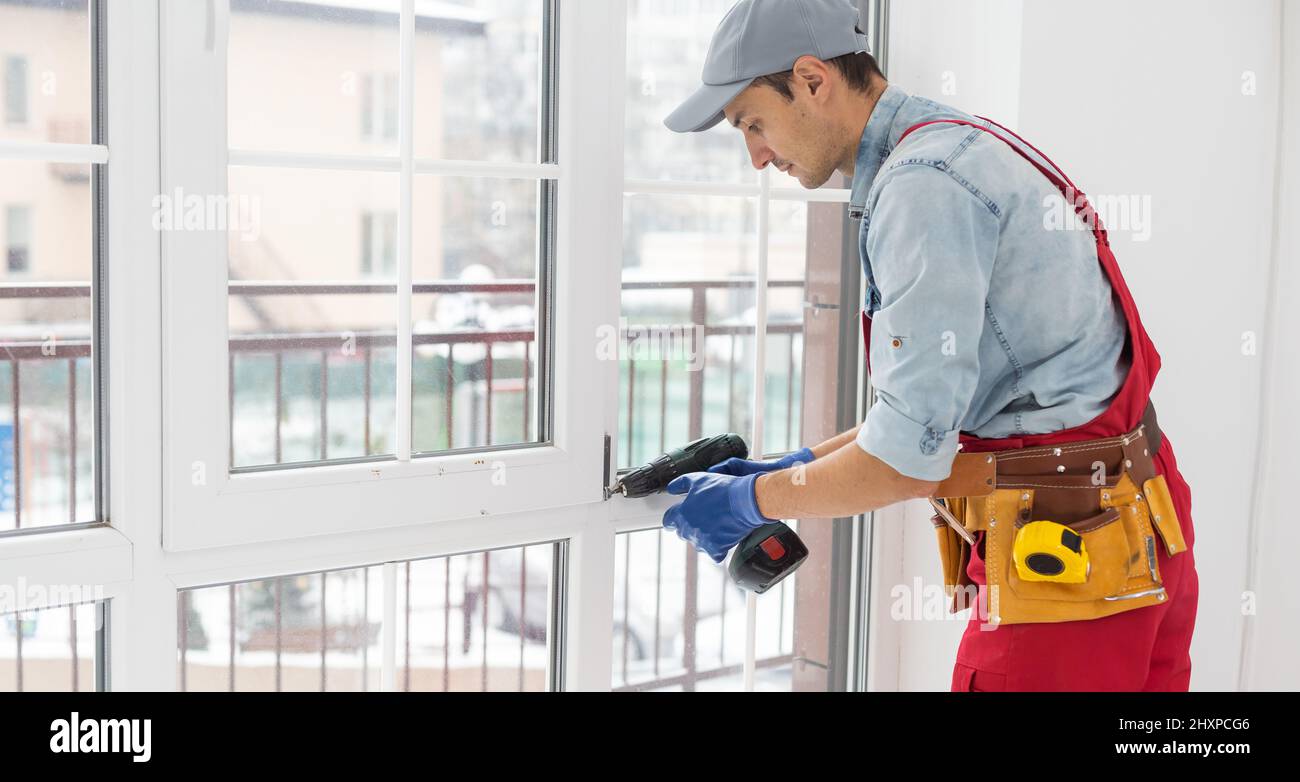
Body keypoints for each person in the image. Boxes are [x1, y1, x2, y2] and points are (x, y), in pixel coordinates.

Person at [659, 0, 1198, 691]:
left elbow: (906, 463)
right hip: (1139, 529)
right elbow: (924, 415)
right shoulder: (958, 142)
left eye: (753, 123)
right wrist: (794, 466)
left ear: (812, 79)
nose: (757, 156)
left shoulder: (923, 188)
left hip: (1068, 573)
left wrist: (755, 500)